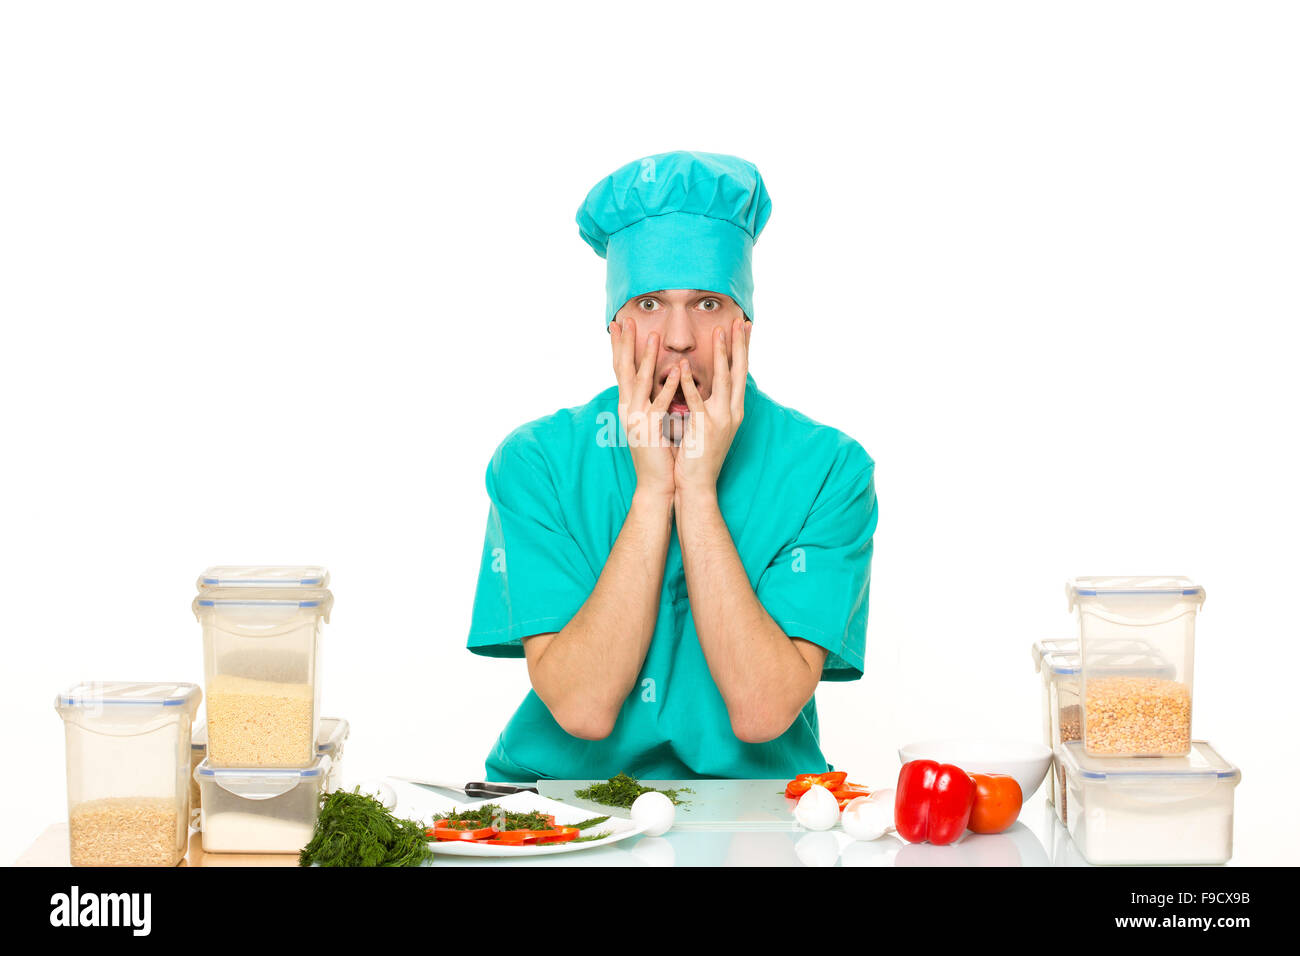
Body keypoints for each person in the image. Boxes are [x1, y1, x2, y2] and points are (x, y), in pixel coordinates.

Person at [466, 150, 878, 781]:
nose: (680, 338)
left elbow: (762, 710)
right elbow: (583, 707)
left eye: (708, 303)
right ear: (614, 325)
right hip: (561, 803)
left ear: (745, 322)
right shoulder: (537, 462)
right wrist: (654, 492)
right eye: (651, 304)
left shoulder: (829, 468)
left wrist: (699, 491)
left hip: (759, 816)